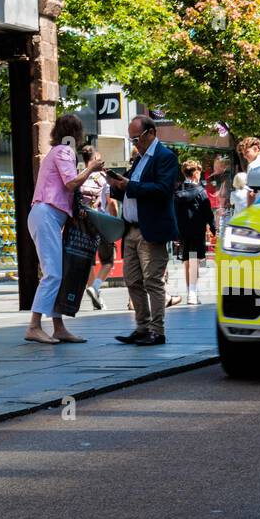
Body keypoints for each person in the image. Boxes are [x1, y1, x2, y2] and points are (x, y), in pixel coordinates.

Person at [27, 114, 103, 344]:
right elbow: (70, 183)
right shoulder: (64, 151)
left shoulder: (58, 152)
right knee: (53, 273)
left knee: (56, 272)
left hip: (47, 215)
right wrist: (90, 168)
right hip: (47, 214)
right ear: (75, 133)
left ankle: (58, 326)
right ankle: (34, 325)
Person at [107, 114, 181, 346]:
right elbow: (131, 190)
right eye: (131, 140)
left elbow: (162, 189)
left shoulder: (165, 157)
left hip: (151, 229)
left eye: (137, 138)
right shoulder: (139, 159)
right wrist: (117, 186)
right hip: (131, 229)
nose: (135, 143)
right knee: (132, 280)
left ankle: (157, 331)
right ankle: (142, 327)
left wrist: (130, 185)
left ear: (151, 133)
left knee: (152, 281)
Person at [78, 145, 117, 311]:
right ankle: (96, 287)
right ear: (94, 159)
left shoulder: (79, 176)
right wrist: (114, 222)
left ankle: (96, 296)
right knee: (108, 260)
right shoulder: (103, 177)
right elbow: (112, 202)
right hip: (101, 222)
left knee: (89, 261)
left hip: (83, 223)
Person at [174, 160, 217, 305]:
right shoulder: (200, 191)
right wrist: (213, 228)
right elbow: (207, 212)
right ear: (196, 173)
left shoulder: (177, 190)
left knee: (187, 260)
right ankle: (193, 293)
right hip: (197, 230)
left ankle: (189, 291)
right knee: (194, 261)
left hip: (182, 231)